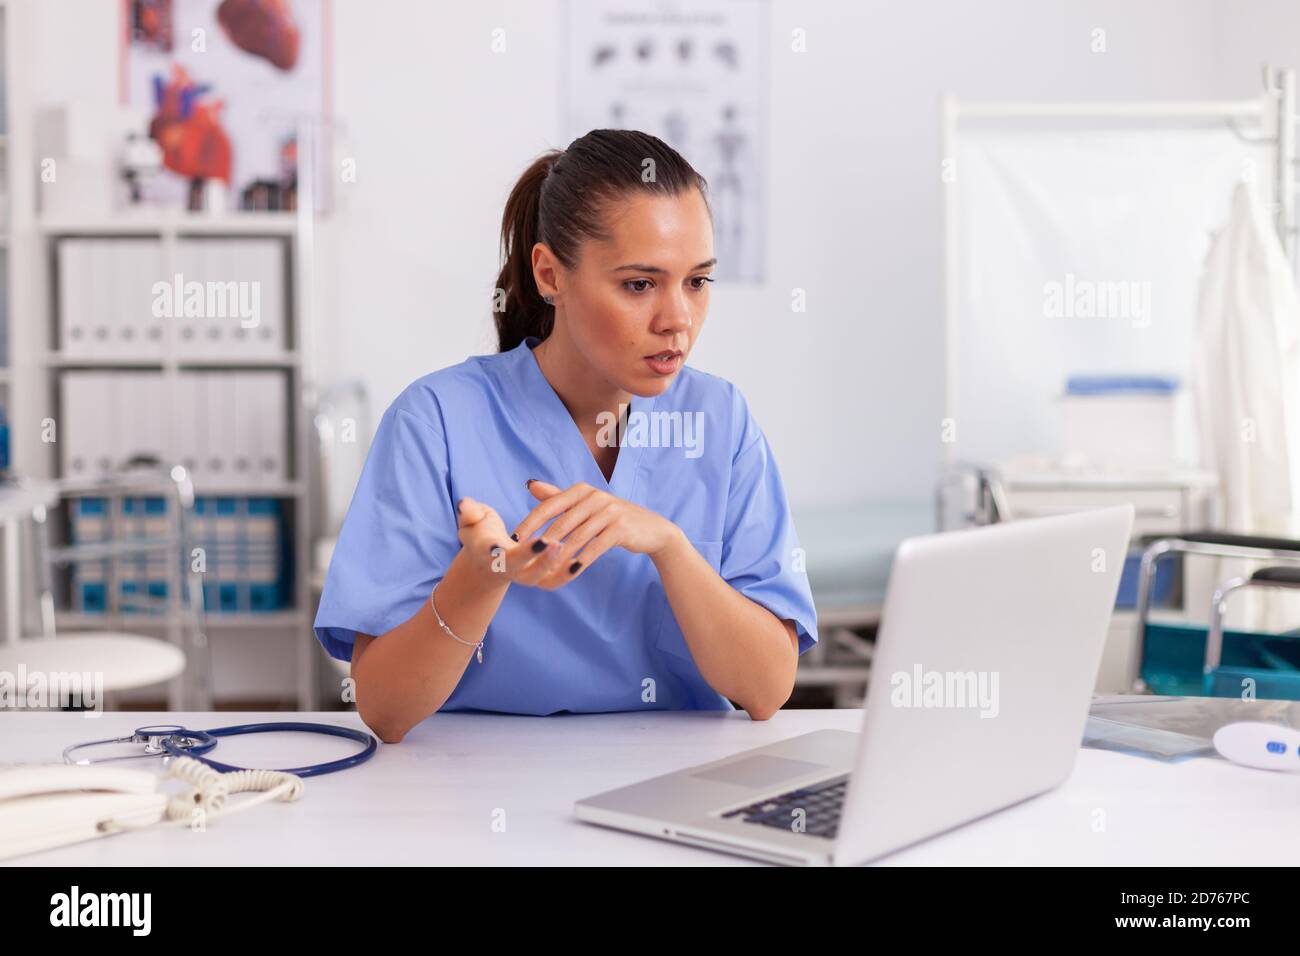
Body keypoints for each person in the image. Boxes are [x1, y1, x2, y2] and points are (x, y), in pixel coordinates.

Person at [314, 129, 818, 741]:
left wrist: (669, 547)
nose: (678, 320)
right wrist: (479, 580)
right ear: (550, 275)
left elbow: (766, 690)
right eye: (639, 285)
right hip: (469, 791)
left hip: (672, 791)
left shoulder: (722, 421)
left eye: (697, 282)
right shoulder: (436, 421)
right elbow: (385, 710)